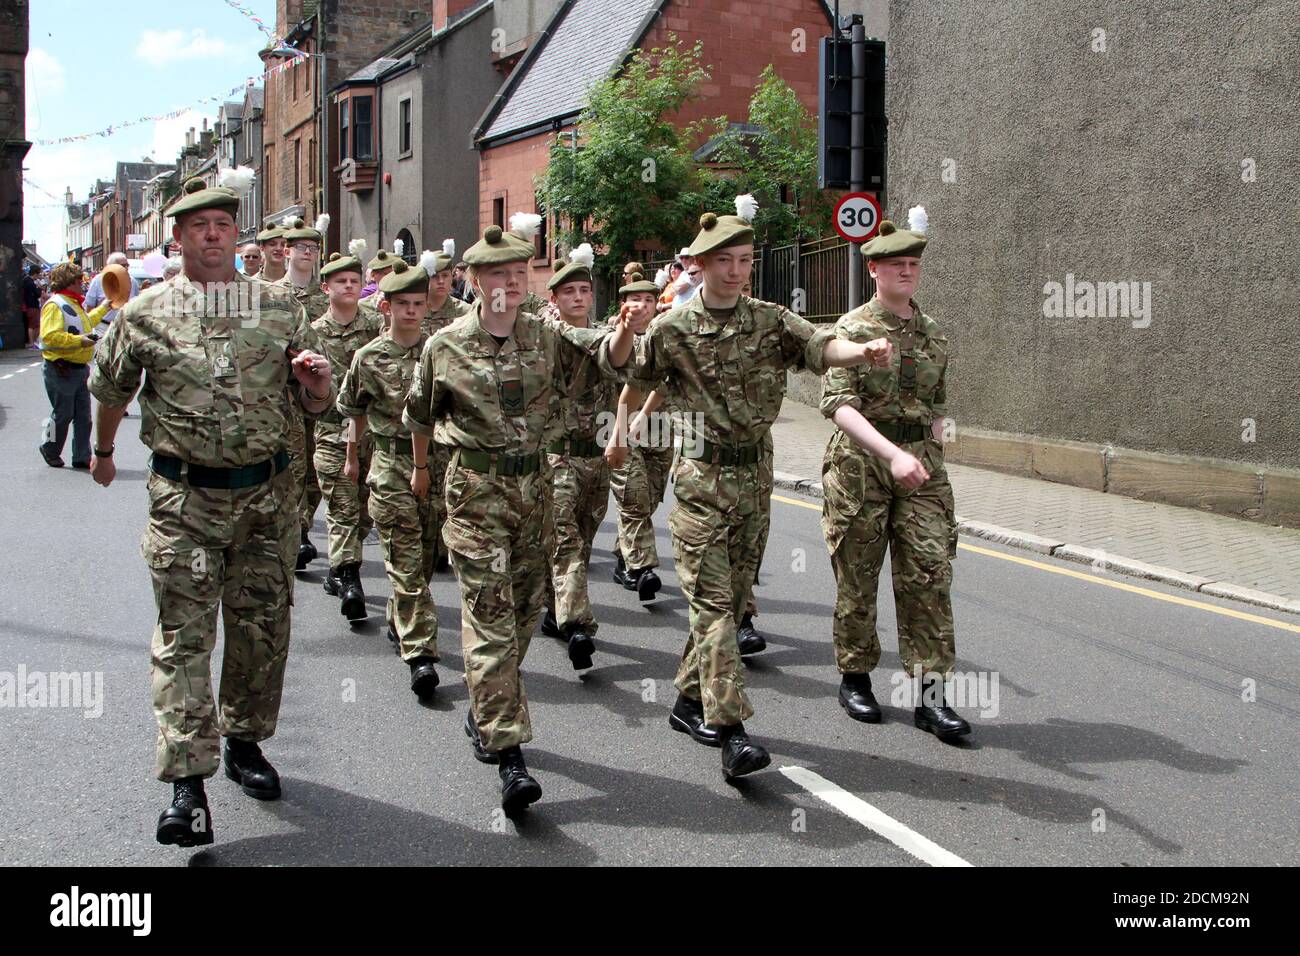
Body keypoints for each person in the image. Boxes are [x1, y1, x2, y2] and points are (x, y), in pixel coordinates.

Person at [87, 173, 334, 847]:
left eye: (223, 222)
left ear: (237, 234)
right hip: (185, 501)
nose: (213, 233)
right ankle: (186, 785)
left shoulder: (277, 309)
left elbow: (313, 401)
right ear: (179, 238)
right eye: (199, 225)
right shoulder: (145, 313)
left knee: (260, 631)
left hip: (265, 499)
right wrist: (103, 449)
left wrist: (316, 389)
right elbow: (111, 385)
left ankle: (245, 744)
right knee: (185, 637)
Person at [627, 194, 891, 779]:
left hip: (754, 477)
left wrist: (863, 350)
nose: (737, 270)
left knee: (729, 598)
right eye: (726, 260)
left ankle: (688, 700)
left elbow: (822, 346)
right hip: (699, 476)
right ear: (701, 264)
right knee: (716, 608)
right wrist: (624, 427)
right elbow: (631, 373)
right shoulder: (673, 327)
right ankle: (733, 731)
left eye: (745, 259)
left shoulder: (769, 319)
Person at [402, 214, 633, 817]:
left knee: (529, 609)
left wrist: (629, 331)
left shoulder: (547, 337)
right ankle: (508, 750)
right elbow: (420, 415)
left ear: (529, 280)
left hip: (534, 494)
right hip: (474, 495)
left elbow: (605, 354)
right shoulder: (443, 345)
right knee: (490, 617)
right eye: (493, 273)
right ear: (472, 280)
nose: (507, 281)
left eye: (516, 271)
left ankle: (489, 703)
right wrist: (422, 471)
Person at [820, 207, 970, 741]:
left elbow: (937, 407)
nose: (906, 272)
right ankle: (855, 676)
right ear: (875, 272)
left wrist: (939, 445)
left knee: (929, 576)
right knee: (858, 576)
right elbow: (838, 405)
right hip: (862, 467)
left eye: (913, 265)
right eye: (896, 265)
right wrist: (890, 454)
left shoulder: (936, 335)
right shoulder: (852, 330)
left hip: (921, 469)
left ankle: (931, 697)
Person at [338, 257, 443, 699]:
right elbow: (352, 413)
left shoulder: (442, 350)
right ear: (386, 307)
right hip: (389, 467)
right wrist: (351, 459)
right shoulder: (368, 357)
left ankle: (403, 621)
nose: (412, 312)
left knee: (424, 558)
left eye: (419, 304)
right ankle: (421, 654)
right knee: (404, 565)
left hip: (439, 468)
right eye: (403, 304)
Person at [537, 244, 619, 670]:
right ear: (555, 299)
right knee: (565, 541)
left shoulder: (609, 338)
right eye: (567, 292)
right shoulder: (544, 338)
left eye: (584, 290)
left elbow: (628, 378)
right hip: (558, 458)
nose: (577, 298)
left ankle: (554, 610)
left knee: (582, 544)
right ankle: (578, 625)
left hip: (597, 459)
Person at [312, 242, 383, 621]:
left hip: (373, 435)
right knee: (341, 509)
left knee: (364, 513)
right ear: (326, 288)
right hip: (331, 435)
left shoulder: (376, 326)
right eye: (341, 281)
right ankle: (350, 578)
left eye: (355, 280)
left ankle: (336, 572)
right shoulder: (312, 333)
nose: (350, 286)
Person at [603, 266, 673, 605]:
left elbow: (668, 382)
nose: (642, 305)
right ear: (623, 303)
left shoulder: (667, 335)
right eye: (635, 299)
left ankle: (624, 556)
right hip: (619, 426)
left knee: (651, 497)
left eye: (649, 299)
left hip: (660, 429)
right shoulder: (613, 337)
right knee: (633, 496)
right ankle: (642, 568)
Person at [269, 216, 331, 571]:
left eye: (313, 248)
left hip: (320, 395)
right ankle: (299, 531)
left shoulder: (323, 296)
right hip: (285, 399)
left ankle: (303, 521)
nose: (308, 254)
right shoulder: (272, 294)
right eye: (302, 248)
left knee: (315, 472)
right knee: (292, 469)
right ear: (287, 251)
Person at [38, 261, 113, 469]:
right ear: (69, 281)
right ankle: (49, 446)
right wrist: (80, 341)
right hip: (60, 367)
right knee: (62, 413)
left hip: (78, 368)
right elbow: (50, 336)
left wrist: (105, 307)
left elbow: (86, 322)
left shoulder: (72, 303)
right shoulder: (55, 304)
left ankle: (81, 455)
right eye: (80, 279)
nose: (83, 282)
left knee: (84, 416)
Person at [83, 251, 140, 325]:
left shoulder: (133, 282)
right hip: (103, 326)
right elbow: (90, 306)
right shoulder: (98, 280)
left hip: (124, 326)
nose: (126, 268)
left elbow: (135, 304)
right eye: (123, 265)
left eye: (127, 265)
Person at [360, 242, 401, 310]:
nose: (392, 278)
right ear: (373, 275)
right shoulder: (363, 305)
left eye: (395, 274)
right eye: (386, 274)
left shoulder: (406, 304)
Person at [23, 264, 42, 348]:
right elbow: (37, 294)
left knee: (35, 325)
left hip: (30, 305)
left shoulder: (26, 281)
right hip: (32, 305)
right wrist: (39, 287)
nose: (39, 276)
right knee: (33, 325)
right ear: (35, 274)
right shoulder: (30, 282)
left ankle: (33, 342)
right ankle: (32, 342)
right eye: (38, 274)